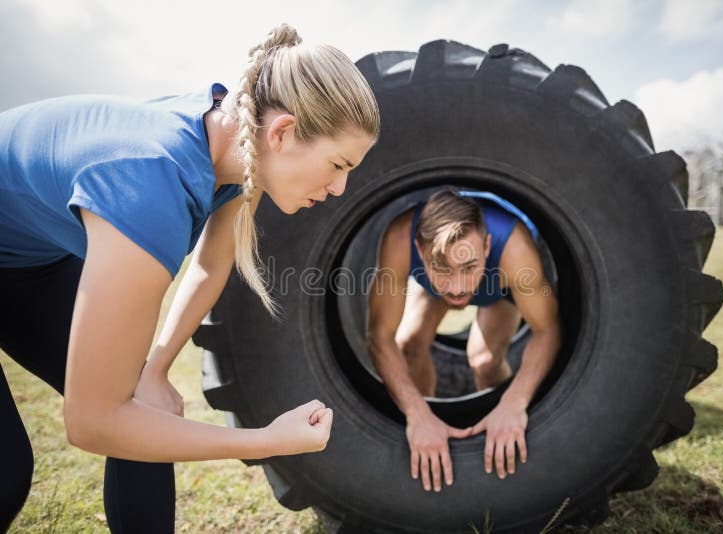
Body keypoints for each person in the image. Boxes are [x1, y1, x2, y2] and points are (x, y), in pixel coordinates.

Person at [0, 23, 378, 532]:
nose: (339, 188)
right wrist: (268, 439)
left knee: (144, 415)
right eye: (338, 164)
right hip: (22, 257)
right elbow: (91, 423)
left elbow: (210, 263)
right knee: (7, 471)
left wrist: (155, 369)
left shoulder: (234, 140)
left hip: (25, 261)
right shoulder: (150, 184)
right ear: (283, 132)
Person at [366, 188, 562, 493]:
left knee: (483, 360)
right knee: (408, 345)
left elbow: (547, 329)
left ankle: (501, 431)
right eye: (443, 268)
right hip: (435, 284)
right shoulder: (400, 238)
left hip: (499, 281)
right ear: (419, 249)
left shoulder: (514, 247)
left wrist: (515, 402)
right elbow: (380, 335)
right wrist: (417, 414)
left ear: (485, 246)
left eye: (468, 268)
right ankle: (426, 430)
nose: (457, 288)